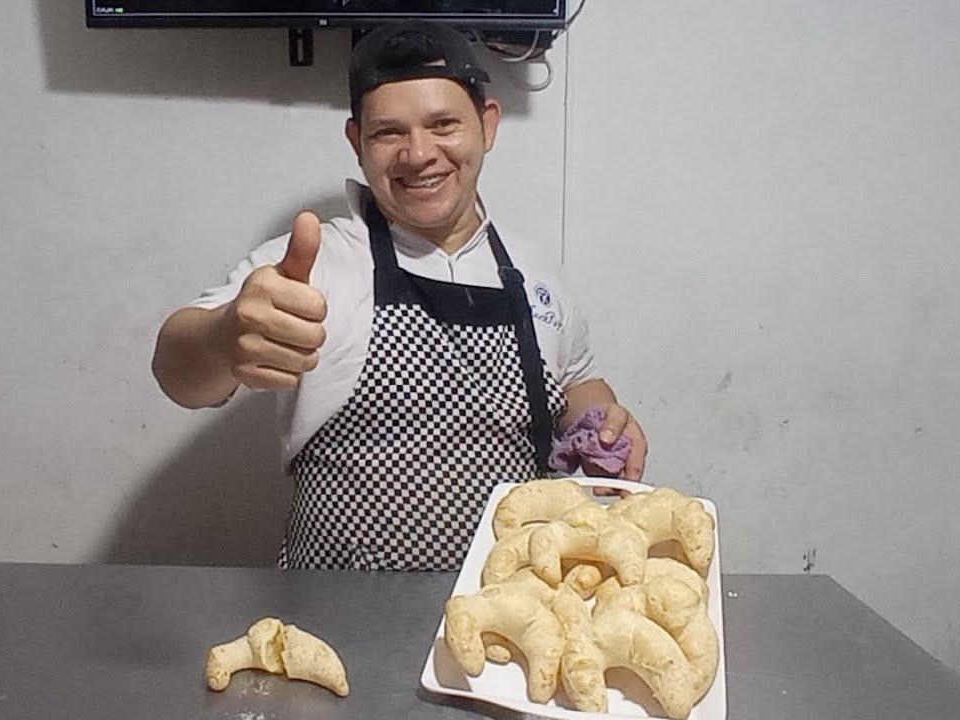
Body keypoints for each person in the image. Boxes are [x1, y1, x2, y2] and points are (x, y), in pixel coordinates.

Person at [151, 20, 647, 571]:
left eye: (443, 124)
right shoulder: (317, 263)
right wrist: (223, 340)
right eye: (389, 132)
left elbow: (576, 378)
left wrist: (601, 420)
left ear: (487, 126)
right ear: (356, 141)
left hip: (510, 612)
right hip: (338, 618)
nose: (418, 154)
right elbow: (178, 371)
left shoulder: (533, 273)